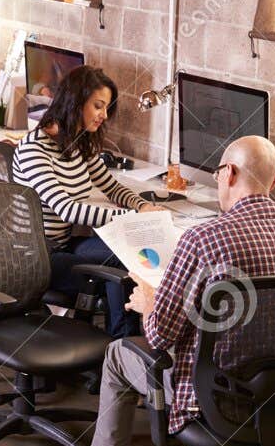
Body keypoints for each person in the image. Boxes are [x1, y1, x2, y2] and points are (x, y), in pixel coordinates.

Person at [51, 136, 275, 446]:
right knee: (219, 345)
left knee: (119, 355)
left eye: (219, 173)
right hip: (274, 392)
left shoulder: (203, 237)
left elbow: (159, 336)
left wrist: (149, 303)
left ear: (229, 173)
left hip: (214, 395)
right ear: (273, 182)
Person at [12, 65, 165, 337]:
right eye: (98, 106)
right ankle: (123, 343)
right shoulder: (33, 150)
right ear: (75, 102)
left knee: (128, 252)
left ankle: (123, 345)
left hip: (63, 245)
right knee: (119, 266)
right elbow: (66, 209)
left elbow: (111, 187)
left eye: (106, 108)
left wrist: (141, 206)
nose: (104, 115)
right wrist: (132, 217)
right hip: (35, 256)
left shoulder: (79, 143)